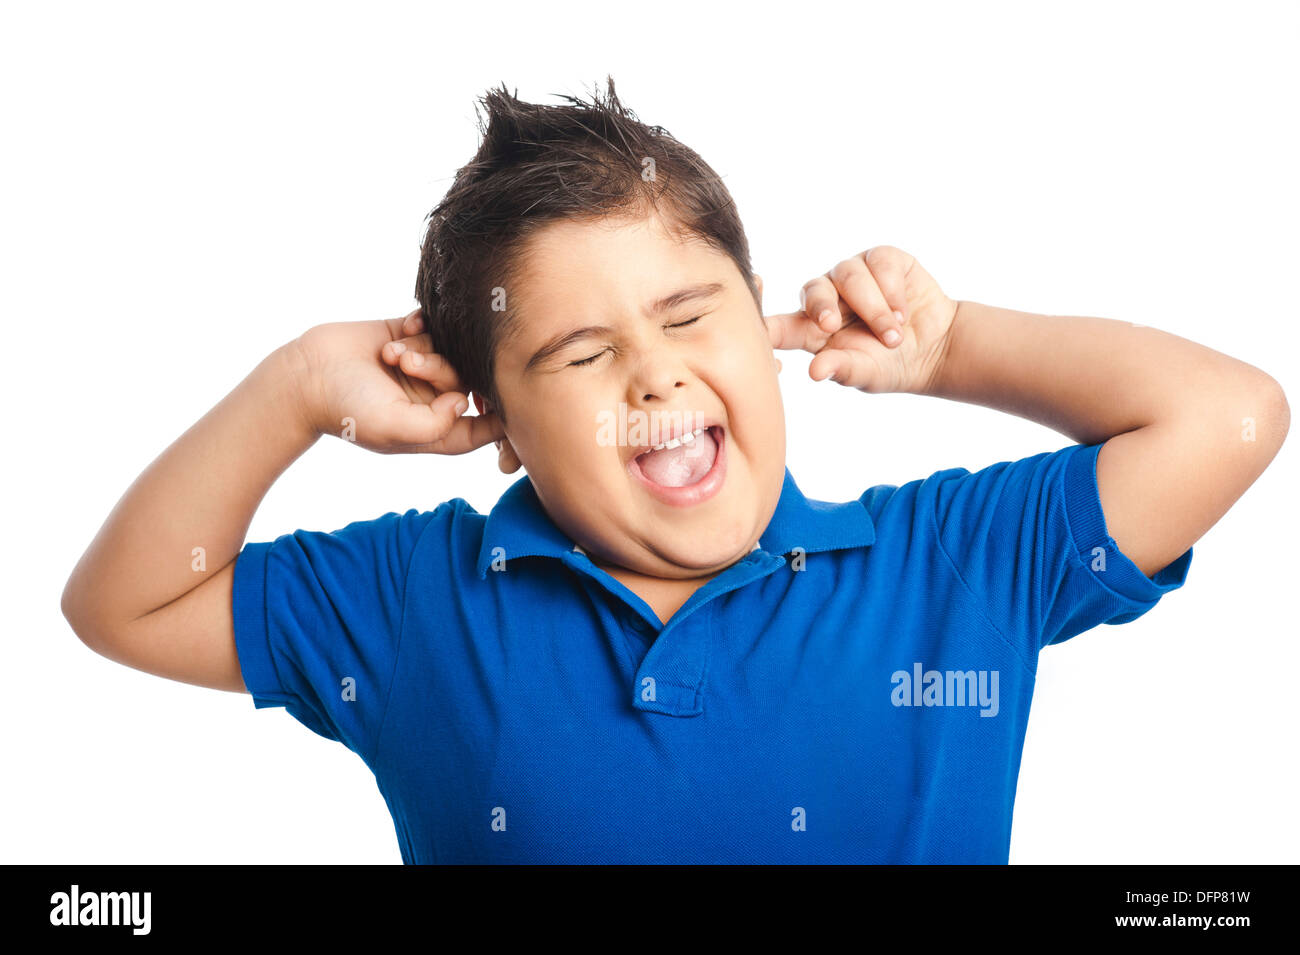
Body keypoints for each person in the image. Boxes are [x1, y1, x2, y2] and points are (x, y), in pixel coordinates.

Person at [61, 77, 1289, 863]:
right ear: (495, 415)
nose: (652, 377)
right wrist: (295, 390)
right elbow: (123, 603)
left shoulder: (947, 569)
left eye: (693, 318)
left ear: (757, 324)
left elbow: (1230, 418)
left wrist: (959, 343)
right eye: (582, 351)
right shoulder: (416, 599)